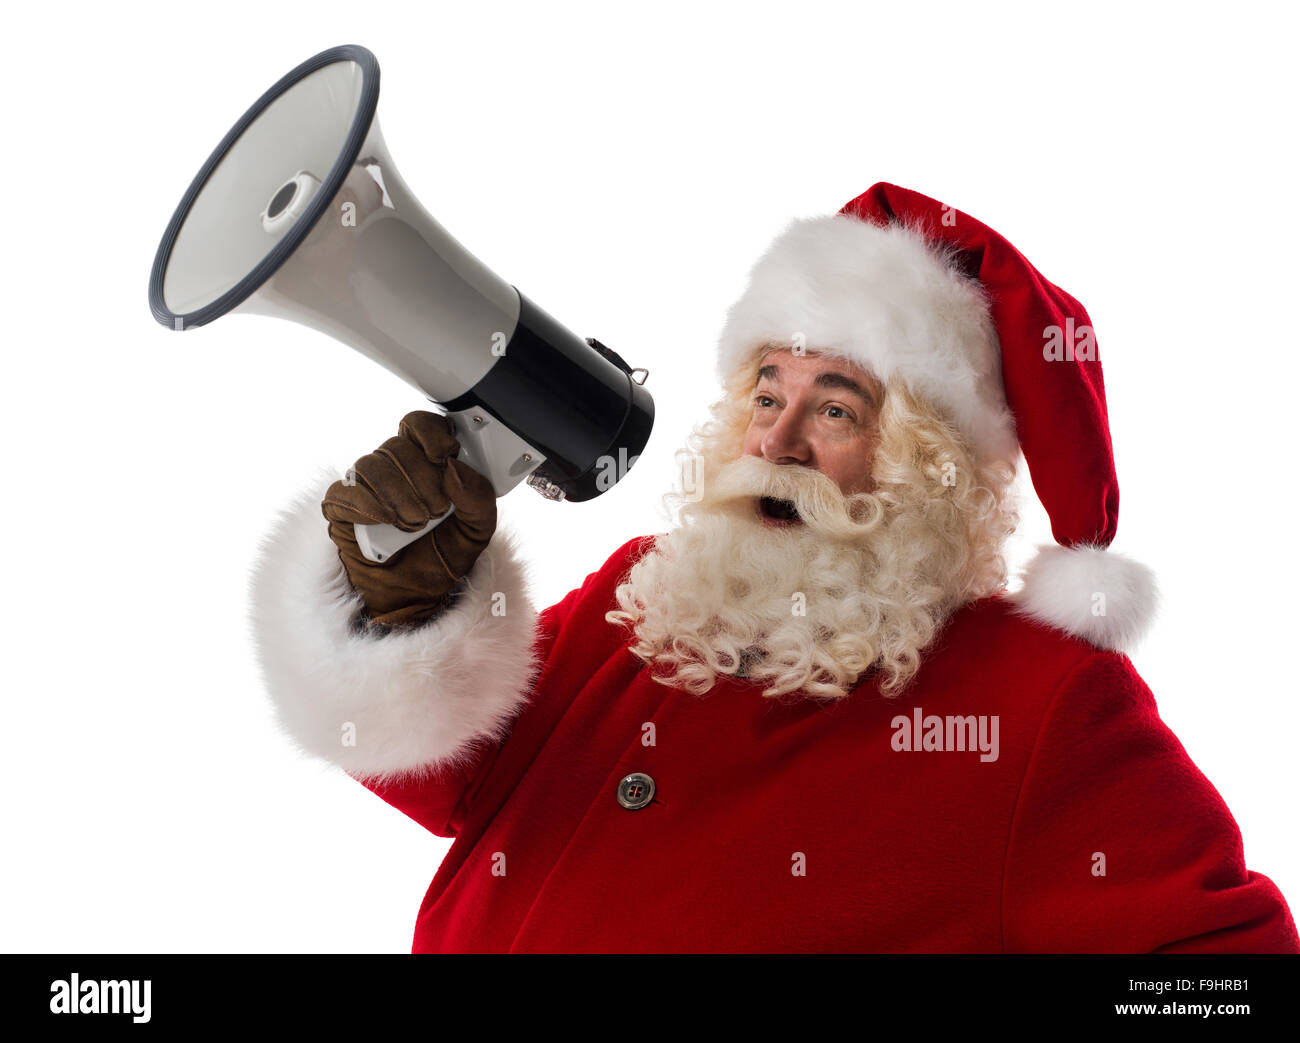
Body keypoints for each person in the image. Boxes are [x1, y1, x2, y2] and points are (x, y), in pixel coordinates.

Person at [249, 182, 1299, 953]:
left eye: (835, 406)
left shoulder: (1038, 700)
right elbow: (456, 778)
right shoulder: (644, 593)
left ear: (927, 464)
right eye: (764, 391)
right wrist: (397, 600)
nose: (779, 436)